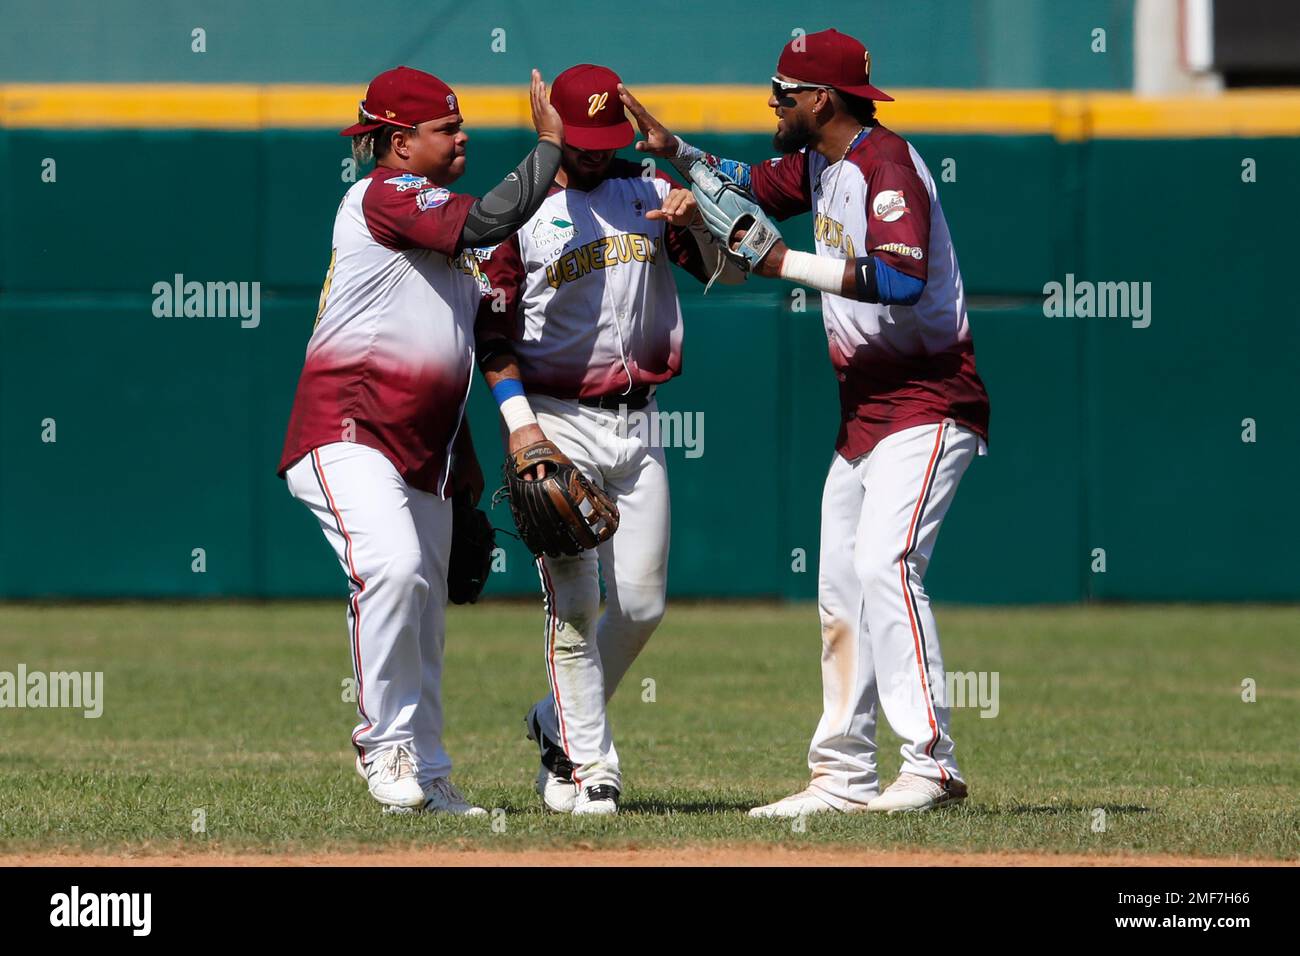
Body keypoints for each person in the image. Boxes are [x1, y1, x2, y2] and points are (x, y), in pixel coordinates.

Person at [620, 28, 991, 816]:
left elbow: (898, 277)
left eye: (783, 94)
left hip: (929, 399)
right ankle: (844, 776)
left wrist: (781, 263)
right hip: (864, 411)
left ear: (821, 100)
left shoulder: (887, 165)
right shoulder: (824, 162)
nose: (773, 104)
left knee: (888, 564)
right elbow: (747, 180)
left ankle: (932, 764)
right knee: (839, 590)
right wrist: (675, 148)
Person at [277, 65, 564, 814]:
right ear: (400, 143)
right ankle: (382, 744)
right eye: (446, 127)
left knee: (425, 610)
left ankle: (429, 772)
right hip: (346, 429)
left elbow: (455, 347)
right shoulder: (384, 196)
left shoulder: (447, 232)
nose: (462, 134)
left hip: (427, 450)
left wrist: (468, 455)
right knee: (394, 568)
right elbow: (484, 221)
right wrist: (550, 146)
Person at [475, 63, 740, 815]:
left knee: (645, 606)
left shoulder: (649, 190)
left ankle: (553, 720)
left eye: (604, 138)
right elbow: (489, 337)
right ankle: (590, 766)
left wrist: (698, 221)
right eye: (578, 139)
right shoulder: (517, 211)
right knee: (576, 605)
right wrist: (523, 430)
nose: (594, 152)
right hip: (555, 418)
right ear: (550, 129)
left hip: (639, 421)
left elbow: (730, 273)